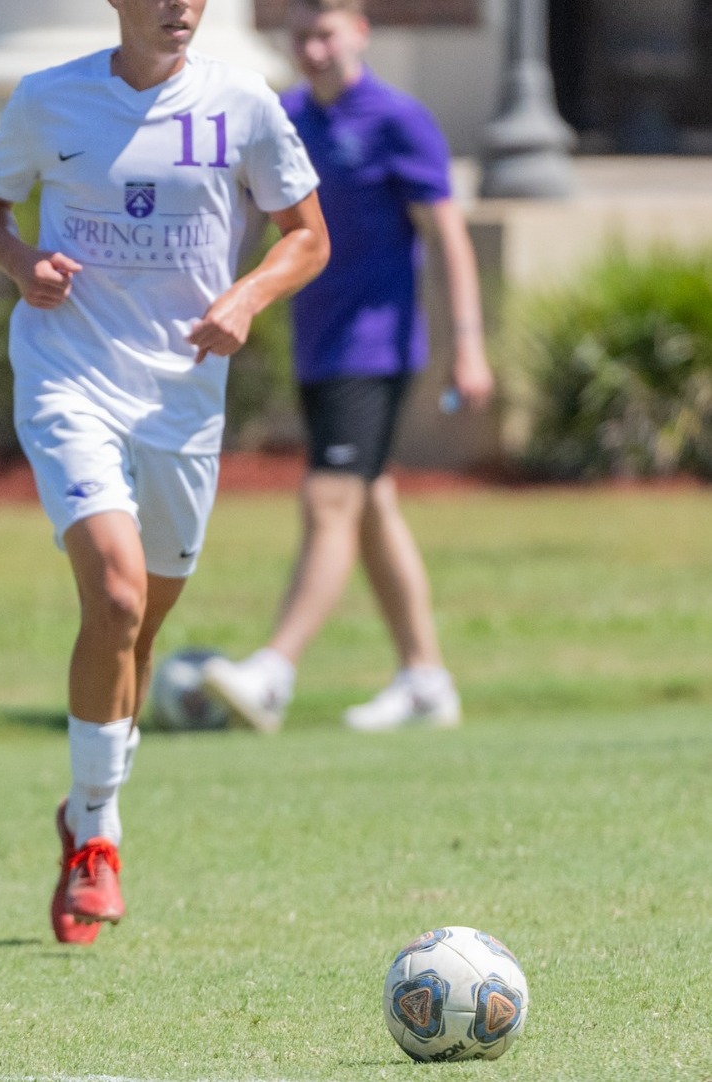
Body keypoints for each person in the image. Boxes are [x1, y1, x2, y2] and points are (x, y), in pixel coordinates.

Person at [0, 0, 329, 944]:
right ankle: (96, 834)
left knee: (142, 625)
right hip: (67, 376)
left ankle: (88, 807)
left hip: (181, 400)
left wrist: (246, 297)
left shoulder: (243, 102)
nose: (178, 6)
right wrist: (19, 263)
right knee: (117, 595)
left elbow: (306, 235)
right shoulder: (47, 98)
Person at [201, 0, 493, 734]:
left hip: (375, 349)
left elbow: (448, 237)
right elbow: (250, 219)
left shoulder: (398, 120)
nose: (313, 50)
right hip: (317, 344)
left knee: (329, 500)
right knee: (371, 503)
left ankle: (274, 672)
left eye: (325, 34)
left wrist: (467, 344)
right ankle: (425, 679)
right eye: (300, 36)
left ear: (359, 32)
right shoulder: (284, 117)